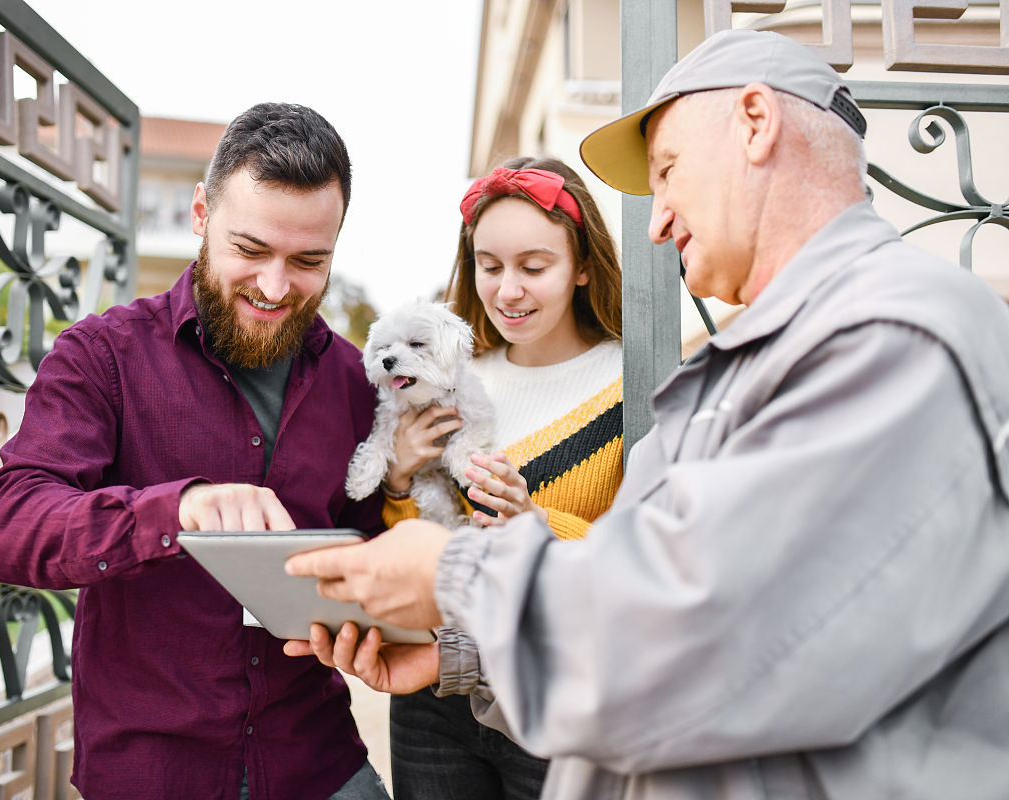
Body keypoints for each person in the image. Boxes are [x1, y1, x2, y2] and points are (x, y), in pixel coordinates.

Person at [284, 29, 1009, 800]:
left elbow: (714, 639)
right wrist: (465, 654)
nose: (657, 221)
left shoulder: (889, 337)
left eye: (667, 172)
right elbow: (665, 595)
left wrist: (455, 578)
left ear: (756, 123)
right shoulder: (771, 354)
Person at [0, 102, 390, 800]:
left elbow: (381, 544)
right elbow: (11, 526)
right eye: (251, 250)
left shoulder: (358, 381)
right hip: (152, 770)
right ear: (200, 213)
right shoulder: (100, 355)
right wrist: (179, 509)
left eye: (308, 261)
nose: (274, 286)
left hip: (319, 760)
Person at [379, 157, 625, 799]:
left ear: (583, 268)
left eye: (533, 267)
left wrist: (535, 524)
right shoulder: (449, 381)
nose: (507, 290)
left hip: (560, 701)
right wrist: (400, 481)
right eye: (489, 267)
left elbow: (648, 553)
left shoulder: (637, 382)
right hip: (440, 690)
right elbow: (422, 549)